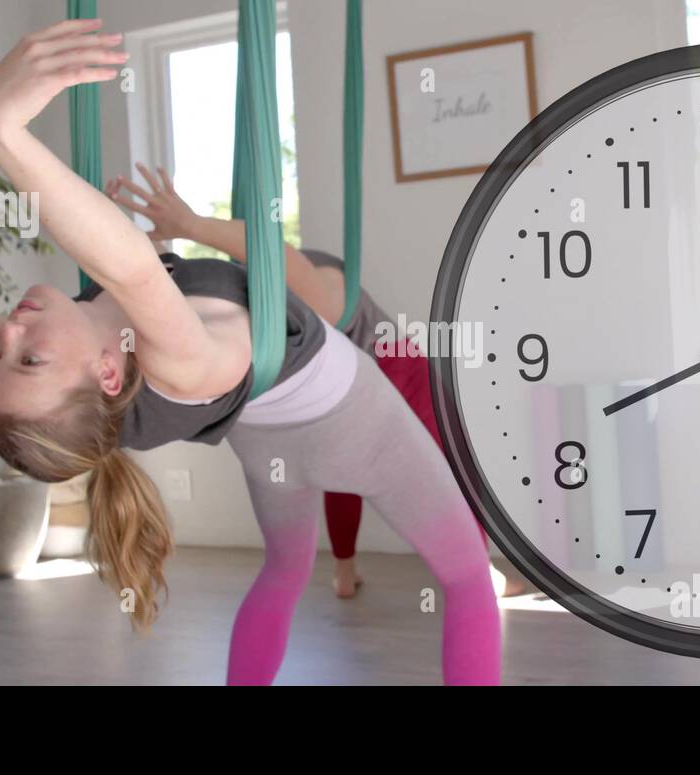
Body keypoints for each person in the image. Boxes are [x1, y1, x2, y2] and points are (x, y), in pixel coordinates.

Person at [0, 19, 500, 685]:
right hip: (355, 421)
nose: (4, 337)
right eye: (27, 359)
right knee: (467, 577)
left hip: (269, 441)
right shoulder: (176, 363)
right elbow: (129, 264)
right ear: (109, 371)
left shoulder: (68, 372)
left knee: (283, 569)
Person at [104, 167, 527, 599]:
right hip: (361, 371)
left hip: (391, 362)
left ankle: (447, 571)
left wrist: (171, 229)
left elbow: (261, 264)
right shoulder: (260, 308)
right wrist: (172, 232)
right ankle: (366, 572)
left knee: (424, 466)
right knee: (355, 469)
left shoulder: (295, 293)